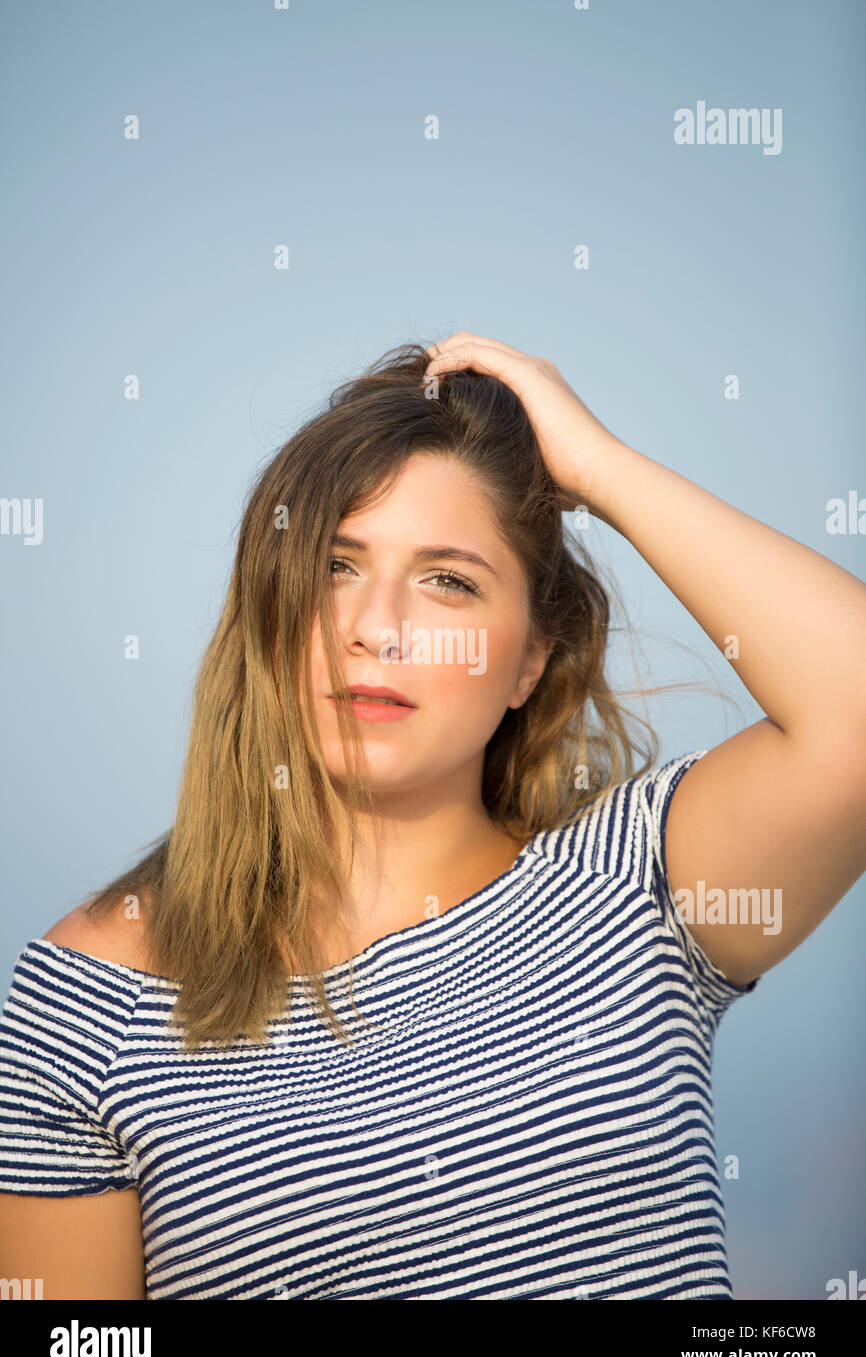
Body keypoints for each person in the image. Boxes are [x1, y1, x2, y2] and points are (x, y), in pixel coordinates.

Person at [1, 332, 864, 1301]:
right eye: (334, 564)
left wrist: (598, 468)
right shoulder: (87, 999)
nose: (376, 627)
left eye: (447, 579)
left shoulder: (637, 885)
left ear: (530, 658)